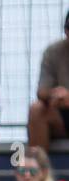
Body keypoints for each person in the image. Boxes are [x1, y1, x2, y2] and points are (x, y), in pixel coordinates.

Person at [28, 10, 69, 150]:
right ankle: (36, 168)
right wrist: (55, 94)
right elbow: (41, 91)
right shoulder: (53, 51)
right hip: (61, 115)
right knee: (36, 109)